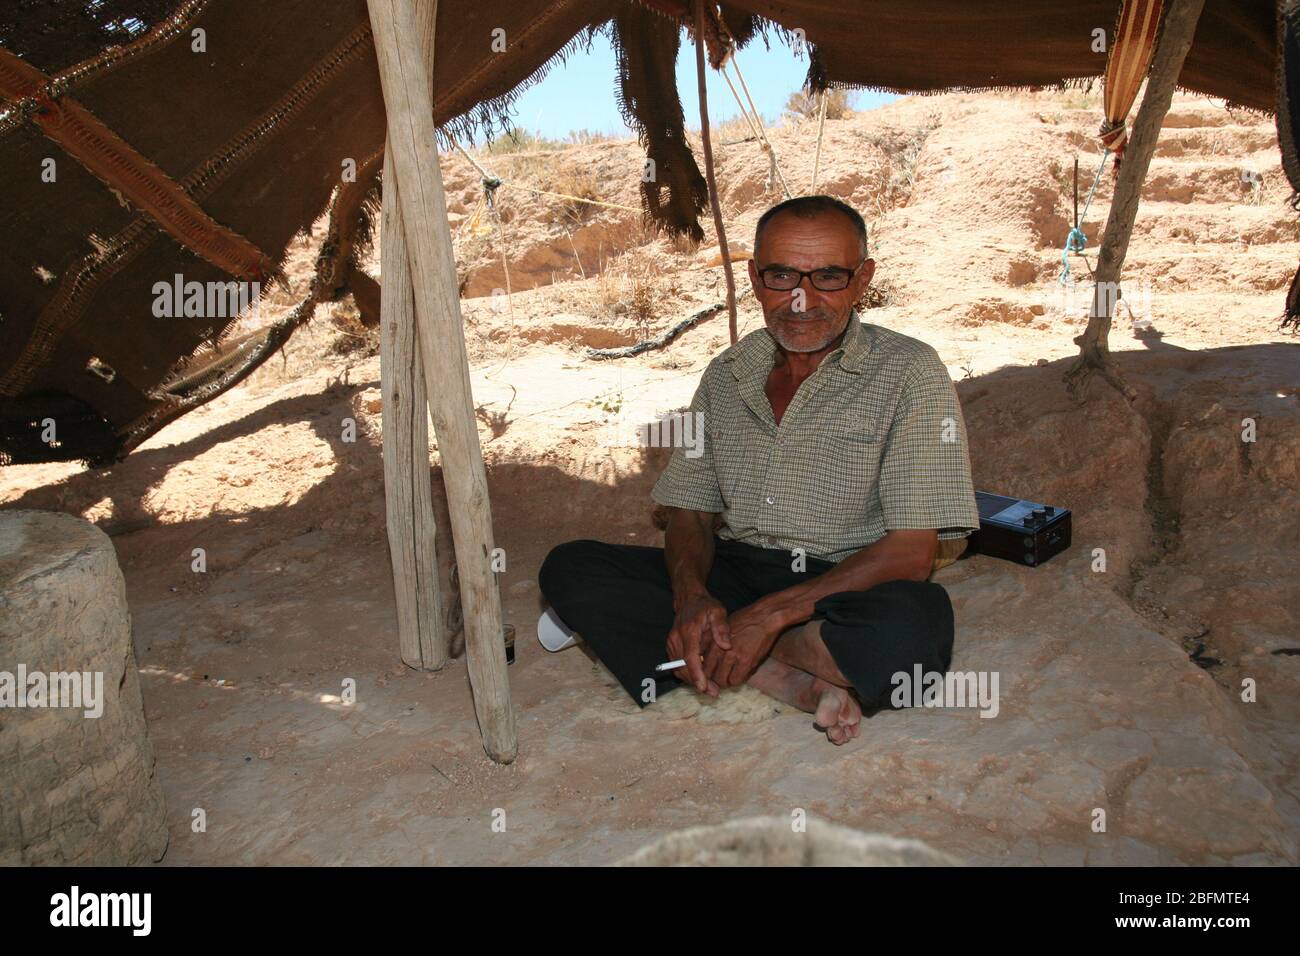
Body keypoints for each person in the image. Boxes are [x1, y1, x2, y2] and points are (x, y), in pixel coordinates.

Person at [539, 195, 979, 744]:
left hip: (846, 579)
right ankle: (778, 668)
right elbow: (691, 514)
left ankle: (755, 649)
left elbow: (912, 551)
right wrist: (692, 597)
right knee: (571, 566)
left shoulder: (909, 372)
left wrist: (769, 618)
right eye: (781, 275)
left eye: (828, 277)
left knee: (905, 639)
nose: (801, 299)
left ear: (862, 279)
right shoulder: (728, 374)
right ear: (753, 277)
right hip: (737, 568)